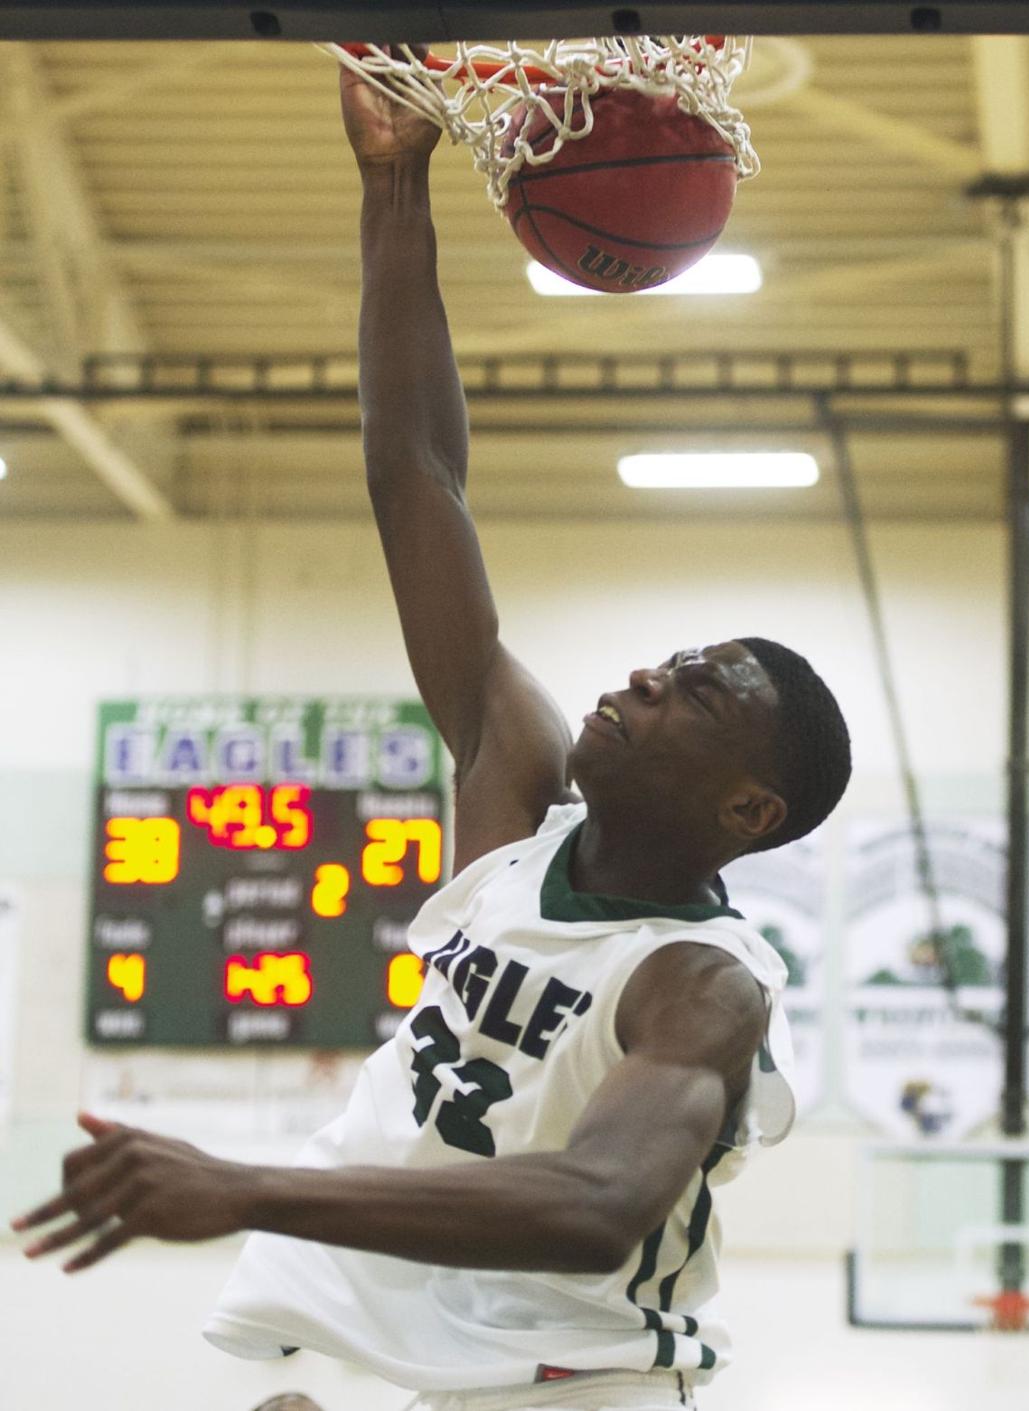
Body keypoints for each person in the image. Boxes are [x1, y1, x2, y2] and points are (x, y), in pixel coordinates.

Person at [11, 52, 851, 1411]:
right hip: (426, 1364)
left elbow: (597, 1202)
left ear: (751, 809)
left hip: (583, 1386)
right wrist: (392, 184)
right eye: (667, 659)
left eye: (695, 691)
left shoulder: (701, 982)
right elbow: (418, 476)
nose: (644, 677)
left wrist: (239, 1184)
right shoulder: (514, 805)